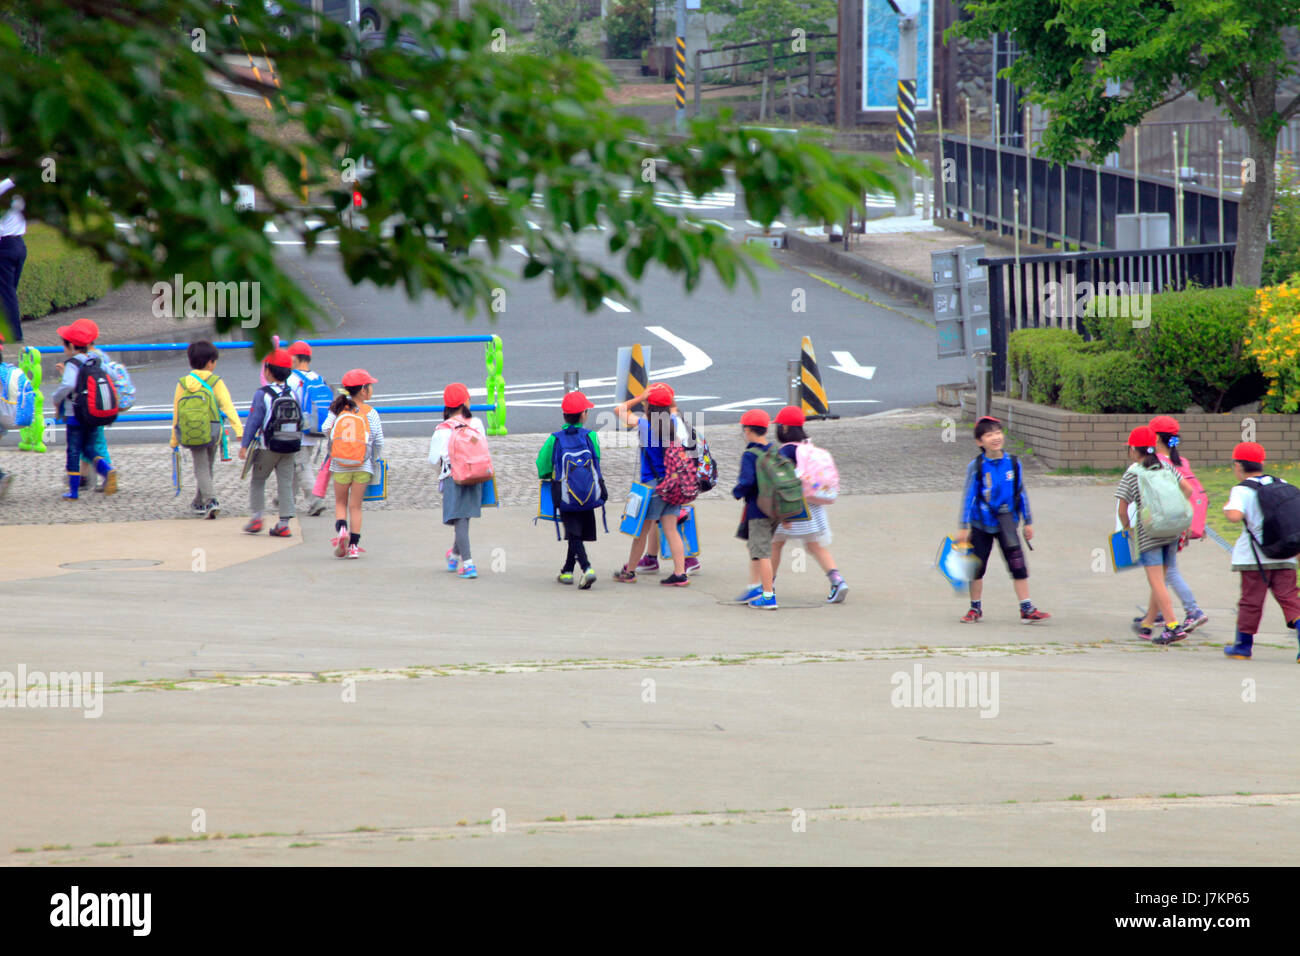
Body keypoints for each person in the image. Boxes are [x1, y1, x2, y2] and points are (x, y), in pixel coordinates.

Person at [955, 416, 1049, 624]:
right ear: (980, 442)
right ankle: (975, 608)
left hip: (1007, 523)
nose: (995, 437)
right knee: (976, 568)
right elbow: (968, 495)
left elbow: (1020, 493)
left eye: (998, 432)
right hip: (981, 524)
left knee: (1018, 566)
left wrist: (1028, 521)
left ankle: (1026, 608)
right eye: (989, 435)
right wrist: (963, 525)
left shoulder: (1014, 463)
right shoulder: (977, 466)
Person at [1116, 425, 1196, 644]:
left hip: (1150, 534)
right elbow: (1188, 490)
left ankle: (1172, 626)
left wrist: (1127, 530)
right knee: (1159, 580)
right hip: (1172, 531)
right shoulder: (1167, 467)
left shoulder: (1133, 473)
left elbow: (1123, 509)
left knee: (1157, 582)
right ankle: (1147, 625)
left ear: (1133, 450)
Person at [1221, 442, 1300, 661]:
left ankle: (1243, 647)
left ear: (1238, 465)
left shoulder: (1241, 489)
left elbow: (1235, 515)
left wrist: (1228, 508)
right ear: (1262, 463)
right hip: (1286, 555)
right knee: (1291, 599)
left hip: (1254, 559)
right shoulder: (1281, 483)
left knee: (1251, 601)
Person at [611, 382, 689, 587]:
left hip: (652, 487)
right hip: (672, 484)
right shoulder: (673, 422)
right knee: (671, 530)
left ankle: (629, 571)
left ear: (647, 406)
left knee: (641, 532)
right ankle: (680, 573)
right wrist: (666, 397)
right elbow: (672, 408)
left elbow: (619, 410)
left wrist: (640, 396)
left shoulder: (645, 425)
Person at [769, 405, 848, 603]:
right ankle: (837, 580)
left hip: (790, 505)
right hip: (813, 505)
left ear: (785, 428)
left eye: (778, 425)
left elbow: (782, 481)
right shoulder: (808, 447)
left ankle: (767, 586)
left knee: (775, 545)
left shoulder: (786, 451)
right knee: (814, 546)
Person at [1144, 415, 1209, 632]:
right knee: (1161, 570)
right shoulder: (1181, 462)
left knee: (1168, 570)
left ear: (1155, 438)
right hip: (1182, 523)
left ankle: (1193, 611)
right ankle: (1158, 612)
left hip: (1167, 525)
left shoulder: (1158, 464)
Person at [537, 390, 602, 589]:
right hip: (589, 492)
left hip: (565, 494)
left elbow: (542, 466)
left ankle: (587, 568)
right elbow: (597, 461)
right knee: (576, 533)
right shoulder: (591, 436)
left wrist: (550, 476)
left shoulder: (554, 439)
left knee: (573, 533)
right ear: (583, 415)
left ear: (564, 415)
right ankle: (567, 571)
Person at [171, 340, 242, 518]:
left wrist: (174, 438)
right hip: (212, 430)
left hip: (190, 432)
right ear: (210, 362)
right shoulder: (215, 381)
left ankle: (198, 501)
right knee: (206, 467)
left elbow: (176, 412)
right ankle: (211, 501)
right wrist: (239, 430)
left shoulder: (183, 383)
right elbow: (227, 406)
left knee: (202, 467)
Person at [49, 318, 117, 500]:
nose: (64, 348)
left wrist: (55, 398)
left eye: (64, 344)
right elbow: (113, 375)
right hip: (92, 414)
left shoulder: (72, 364)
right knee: (89, 448)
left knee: (73, 451)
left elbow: (69, 384)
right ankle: (107, 470)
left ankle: (73, 491)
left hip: (75, 415)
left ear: (71, 345)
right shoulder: (95, 360)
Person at [238, 348, 302, 537]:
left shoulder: (262, 394)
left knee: (258, 480)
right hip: (290, 446)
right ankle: (284, 524)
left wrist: (244, 445)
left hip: (268, 446)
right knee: (285, 483)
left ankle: (257, 518)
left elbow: (254, 420)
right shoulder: (293, 394)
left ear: (267, 370)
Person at [321, 369, 383, 558]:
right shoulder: (370, 413)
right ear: (364, 390)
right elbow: (379, 440)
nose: (371, 389)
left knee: (340, 502)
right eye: (370, 386)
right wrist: (374, 458)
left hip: (339, 464)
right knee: (355, 506)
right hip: (362, 464)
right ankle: (354, 546)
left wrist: (338, 442)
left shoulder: (338, 408)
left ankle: (342, 531)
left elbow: (325, 429)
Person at [429, 382, 485, 579]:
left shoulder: (441, 430)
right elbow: (482, 446)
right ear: (465, 402)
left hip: (454, 477)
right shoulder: (476, 424)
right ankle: (453, 557)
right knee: (464, 518)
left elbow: (433, 460)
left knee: (460, 519)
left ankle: (468, 564)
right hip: (475, 474)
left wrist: (443, 472)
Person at [733, 408, 778, 608]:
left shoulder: (750, 454)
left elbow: (747, 481)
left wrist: (737, 491)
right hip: (775, 509)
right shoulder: (774, 450)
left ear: (749, 430)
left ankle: (768, 596)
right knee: (755, 547)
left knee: (762, 553)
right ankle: (754, 587)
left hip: (758, 509)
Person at [287, 340, 330, 516]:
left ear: (295, 358)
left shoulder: (291, 379)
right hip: (315, 430)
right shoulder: (318, 378)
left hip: (298, 430)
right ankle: (285, 498)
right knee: (298, 464)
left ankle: (315, 500)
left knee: (301, 465)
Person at [0, 176, 27, 344]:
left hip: (5, 245)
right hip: (19, 245)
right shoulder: (22, 192)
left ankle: (12, 334)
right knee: (9, 291)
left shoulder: (3, 188)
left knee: (6, 293)